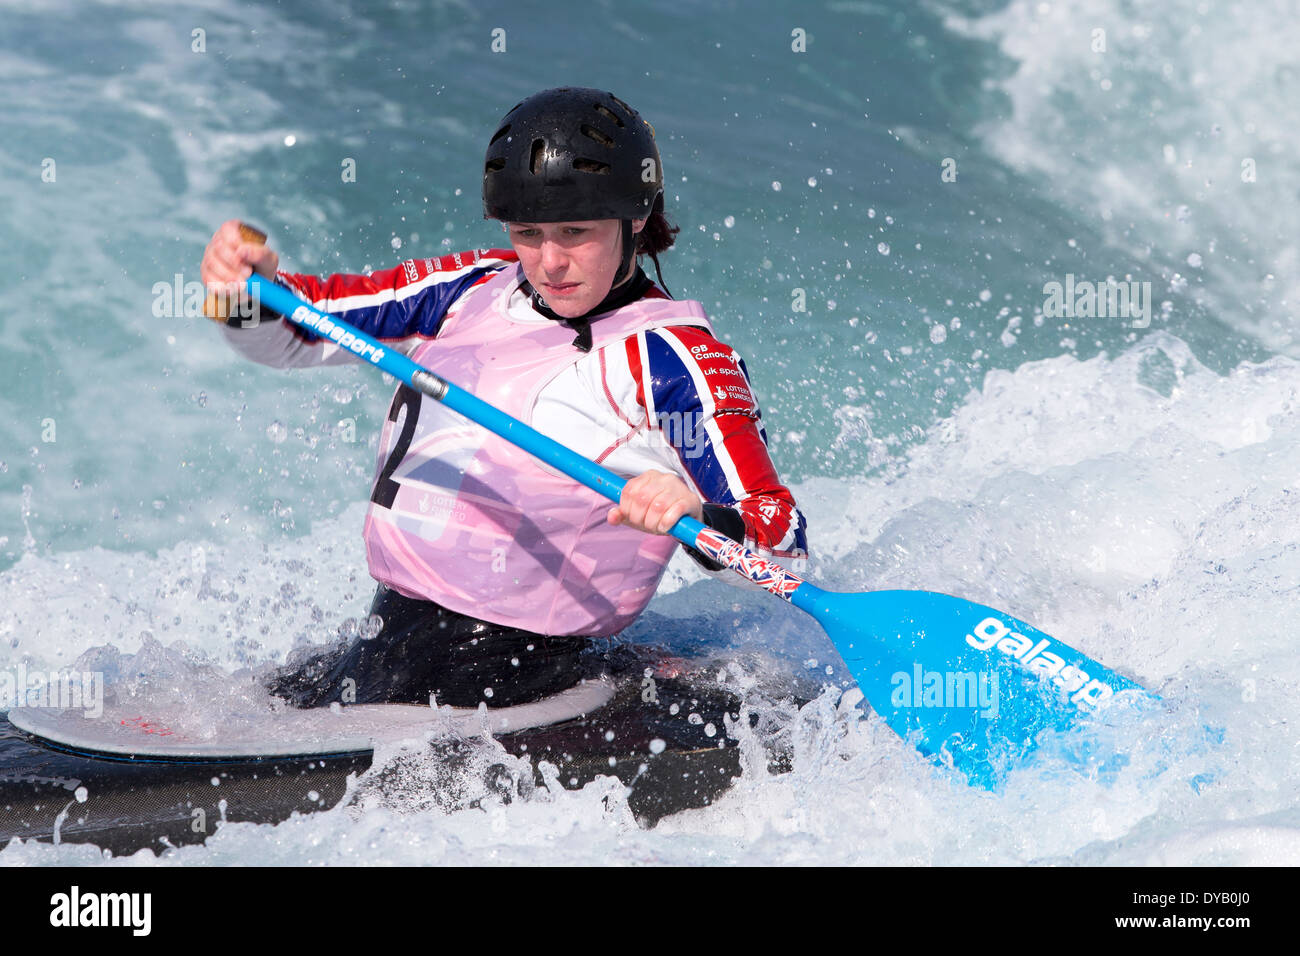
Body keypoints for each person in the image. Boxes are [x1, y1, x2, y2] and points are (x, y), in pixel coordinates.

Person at [200, 87, 808, 710]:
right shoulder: (476, 286)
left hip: (513, 680)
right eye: (528, 232)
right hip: (383, 641)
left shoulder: (671, 361)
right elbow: (303, 329)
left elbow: (782, 536)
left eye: (576, 232)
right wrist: (249, 286)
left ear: (636, 221)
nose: (549, 261)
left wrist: (697, 518)